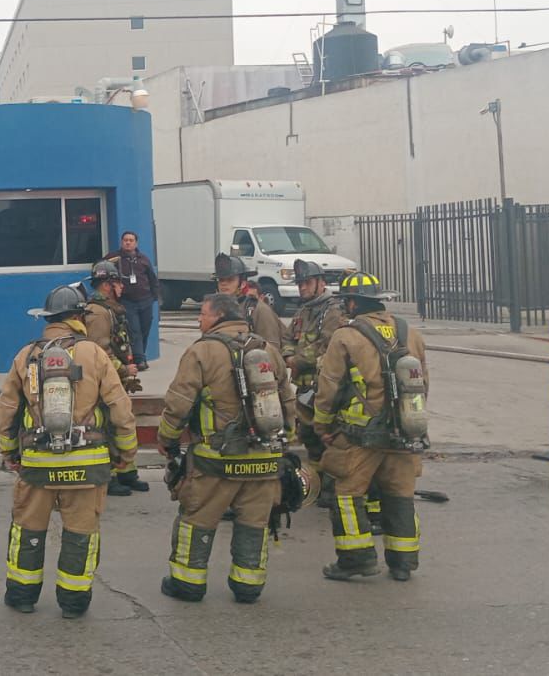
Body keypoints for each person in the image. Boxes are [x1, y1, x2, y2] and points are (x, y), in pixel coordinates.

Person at [0, 284, 138, 619]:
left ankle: (22, 595)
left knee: (28, 528)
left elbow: (6, 409)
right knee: (80, 532)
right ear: (78, 317)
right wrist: (126, 456)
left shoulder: (26, 354)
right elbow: (120, 408)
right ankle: (73, 603)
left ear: (50, 319)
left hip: (37, 462)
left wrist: (10, 453)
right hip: (87, 464)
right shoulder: (95, 354)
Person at [156, 293, 295, 605]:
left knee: (197, 518)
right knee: (254, 522)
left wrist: (167, 438)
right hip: (264, 458)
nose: (198, 320)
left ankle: (187, 583)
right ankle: (248, 586)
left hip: (215, 461)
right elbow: (287, 400)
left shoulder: (202, 351)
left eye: (203, 315)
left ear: (218, 317)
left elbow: (179, 403)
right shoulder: (267, 350)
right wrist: (288, 439)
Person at [312, 272, 429, 583]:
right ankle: (404, 563)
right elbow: (423, 384)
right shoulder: (410, 333)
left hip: (359, 435)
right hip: (404, 431)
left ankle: (356, 559)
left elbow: (329, 387)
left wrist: (321, 424)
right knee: (400, 495)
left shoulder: (346, 336)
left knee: (348, 494)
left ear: (353, 302)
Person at [283, 259, 347, 505]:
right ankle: (318, 486)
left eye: (307, 282)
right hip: (305, 389)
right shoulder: (303, 311)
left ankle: (332, 488)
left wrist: (297, 359)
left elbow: (327, 346)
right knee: (309, 436)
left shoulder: (332, 311)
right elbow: (287, 337)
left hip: (324, 389)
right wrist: (289, 355)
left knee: (327, 436)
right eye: (299, 283)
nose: (302, 288)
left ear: (321, 283)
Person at [84, 261, 150, 497]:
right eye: (117, 282)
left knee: (123, 423)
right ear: (107, 285)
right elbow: (98, 353)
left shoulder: (111, 309)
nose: (122, 286)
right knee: (110, 425)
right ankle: (110, 475)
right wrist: (123, 369)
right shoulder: (98, 313)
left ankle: (127, 473)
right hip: (106, 380)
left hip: (117, 379)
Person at [105, 231, 159, 371]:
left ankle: (140, 355)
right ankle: (139, 360)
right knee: (134, 330)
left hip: (146, 300)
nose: (128, 242)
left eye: (131, 240)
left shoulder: (143, 259)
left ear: (136, 243)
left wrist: (155, 296)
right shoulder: (114, 258)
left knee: (144, 329)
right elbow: (101, 269)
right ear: (122, 242)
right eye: (125, 240)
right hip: (127, 302)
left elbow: (153, 279)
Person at [215, 253, 284, 352]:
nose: (224, 284)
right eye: (221, 280)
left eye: (230, 279)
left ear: (242, 284)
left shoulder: (258, 309)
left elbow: (272, 349)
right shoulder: (214, 310)